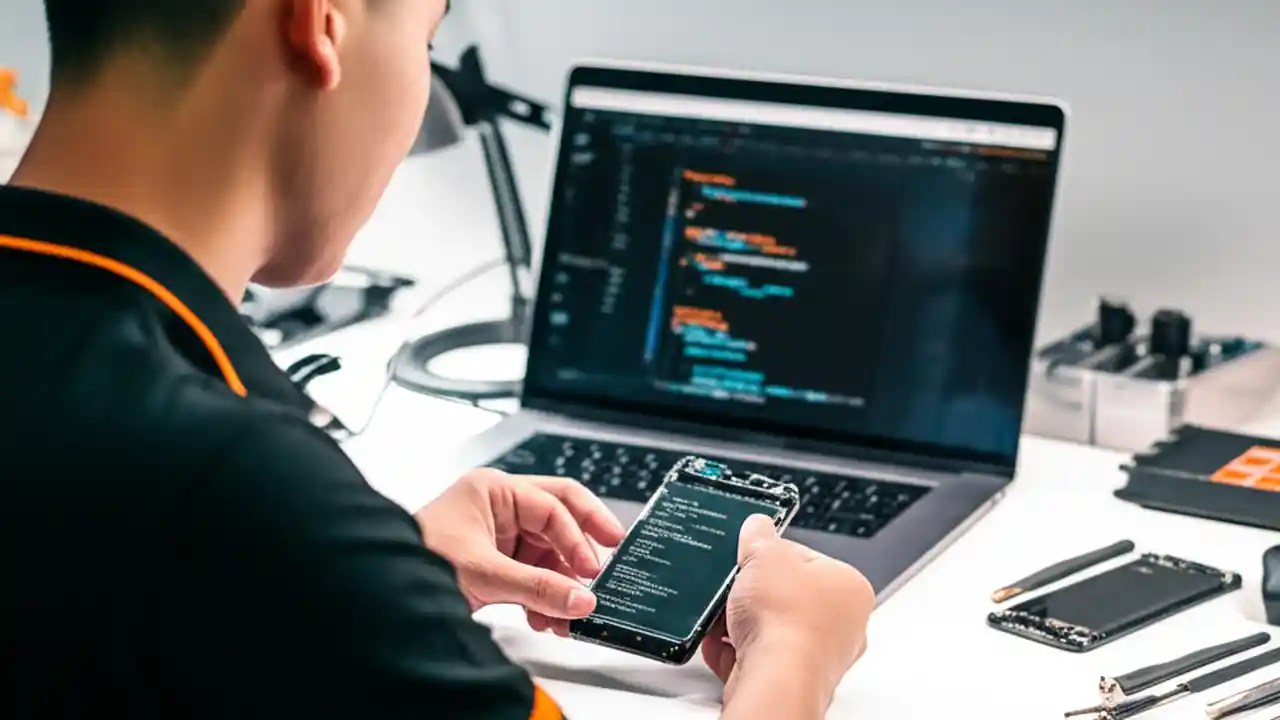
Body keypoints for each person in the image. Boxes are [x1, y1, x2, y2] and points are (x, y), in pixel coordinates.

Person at [0, 1, 876, 718]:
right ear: (321, 21)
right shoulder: (237, 483)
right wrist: (795, 660)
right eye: (425, 42)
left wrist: (380, 577)